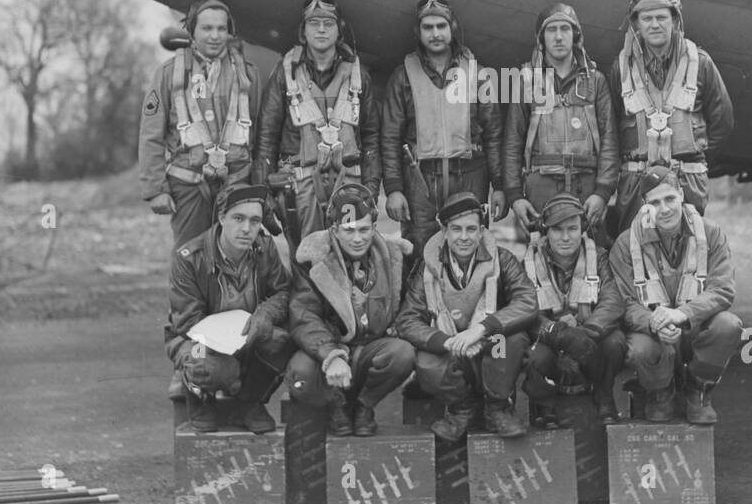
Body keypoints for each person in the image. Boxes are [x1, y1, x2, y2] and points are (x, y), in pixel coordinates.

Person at [607, 165, 743, 424]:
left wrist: (681, 314)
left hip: (693, 324)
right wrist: (653, 322)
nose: (665, 209)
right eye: (655, 202)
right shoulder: (626, 244)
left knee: (728, 325)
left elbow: (723, 289)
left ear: (682, 194)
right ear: (644, 205)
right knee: (639, 349)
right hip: (654, 332)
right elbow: (624, 302)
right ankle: (660, 392)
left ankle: (697, 391)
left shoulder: (710, 233)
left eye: (670, 198)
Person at [395, 192, 537, 440]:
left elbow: (527, 301)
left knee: (508, 341)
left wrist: (483, 328)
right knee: (426, 359)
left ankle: (497, 408)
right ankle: (461, 409)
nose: (463, 237)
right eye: (456, 229)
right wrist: (444, 341)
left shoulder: (502, 259)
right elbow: (407, 319)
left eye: (471, 229)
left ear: (481, 231)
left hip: (490, 346)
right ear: (444, 231)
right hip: (452, 346)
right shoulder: (427, 266)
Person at [381, 0, 505, 264]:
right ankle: (419, 307)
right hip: (421, 180)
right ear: (418, 32)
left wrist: (499, 185)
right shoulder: (402, 77)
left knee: (471, 251)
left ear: (453, 28)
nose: (435, 34)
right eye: (428, 27)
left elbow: (493, 134)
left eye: (441, 26)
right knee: (419, 254)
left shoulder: (479, 75)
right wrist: (393, 188)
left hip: (470, 175)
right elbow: (390, 137)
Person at [284, 183, 415, 437]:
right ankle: (336, 405)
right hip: (329, 349)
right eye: (349, 230)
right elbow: (304, 316)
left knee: (403, 354)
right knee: (301, 374)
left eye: (365, 229)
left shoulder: (393, 258)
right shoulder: (312, 260)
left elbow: (408, 306)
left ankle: (364, 406)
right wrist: (331, 355)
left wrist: (397, 326)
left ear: (374, 228)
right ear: (334, 230)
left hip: (369, 348)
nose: (358, 238)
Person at [254, 0, 381, 251]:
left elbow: (371, 138)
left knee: (349, 257)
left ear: (339, 30)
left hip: (349, 184)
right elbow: (266, 136)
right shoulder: (284, 74)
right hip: (300, 186)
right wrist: (262, 193)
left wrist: (371, 191)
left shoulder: (358, 75)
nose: (321, 29)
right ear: (303, 31)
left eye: (328, 23)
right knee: (306, 260)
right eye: (314, 23)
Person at [165, 184, 294, 434]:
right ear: (222, 217)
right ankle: (198, 395)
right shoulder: (190, 257)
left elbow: (283, 292)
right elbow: (187, 321)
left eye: (255, 221)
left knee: (285, 340)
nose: (247, 229)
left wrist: (264, 316)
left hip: (247, 333)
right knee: (206, 364)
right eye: (238, 218)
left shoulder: (265, 248)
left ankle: (248, 402)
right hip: (197, 340)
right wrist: (229, 344)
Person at [607, 0, 734, 231]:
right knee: (636, 254)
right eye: (647, 18)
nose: (655, 25)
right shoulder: (621, 68)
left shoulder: (701, 63)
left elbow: (722, 122)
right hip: (636, 183)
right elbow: (612, 129)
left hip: (686, 181)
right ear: (636, 25)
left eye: (662, 17)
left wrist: (693, 158)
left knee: (688, 253)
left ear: (675, 20)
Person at [139, 0, 263, 247]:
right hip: (188, 186)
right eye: (207, 28)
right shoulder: (168, 74)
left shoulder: (249, 74)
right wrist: (156, 190)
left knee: (239, 261)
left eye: (221, 29)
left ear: (230, 32)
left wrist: (259, 186)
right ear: (192, 31)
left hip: (237, 184)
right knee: (191, 259)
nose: (215, 36)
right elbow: (151, 135)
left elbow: (259, 135)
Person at [503, 2, 618, 241]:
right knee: (540, 260)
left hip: (586, 188)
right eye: (551, 30)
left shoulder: (596, 82)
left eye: (565, 29)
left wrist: (603, 192)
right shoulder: (526, 82)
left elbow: (609, 141)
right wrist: (515, 196)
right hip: (541, 187)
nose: (558, 37)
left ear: (575, 35)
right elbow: (513, 140)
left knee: (592, 257)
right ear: (541, 38)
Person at [521, 194, 627, 426]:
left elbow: (613, 300)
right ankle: (543, 405)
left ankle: (604, 395)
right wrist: (559, 335)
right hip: (550, 336)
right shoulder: (528, 262)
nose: (566, 237)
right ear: (545, 231)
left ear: (583, 229)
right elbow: (523, 309)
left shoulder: (599, 257)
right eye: (557, 230)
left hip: (589, 334)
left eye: (573, 228)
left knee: (615, 342)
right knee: (534, 356)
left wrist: (585, 333)